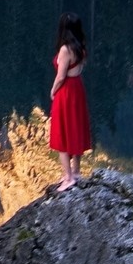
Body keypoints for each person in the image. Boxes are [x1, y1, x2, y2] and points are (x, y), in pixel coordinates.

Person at [48, 12, 91, 192]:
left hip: (66, 91)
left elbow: (60, 76)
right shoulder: (80, 47)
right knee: (76, 129)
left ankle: (68, 177)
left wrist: (53, 91)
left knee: (61, 133)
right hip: (77, 89)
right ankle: (76, 171)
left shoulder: (66, 50)